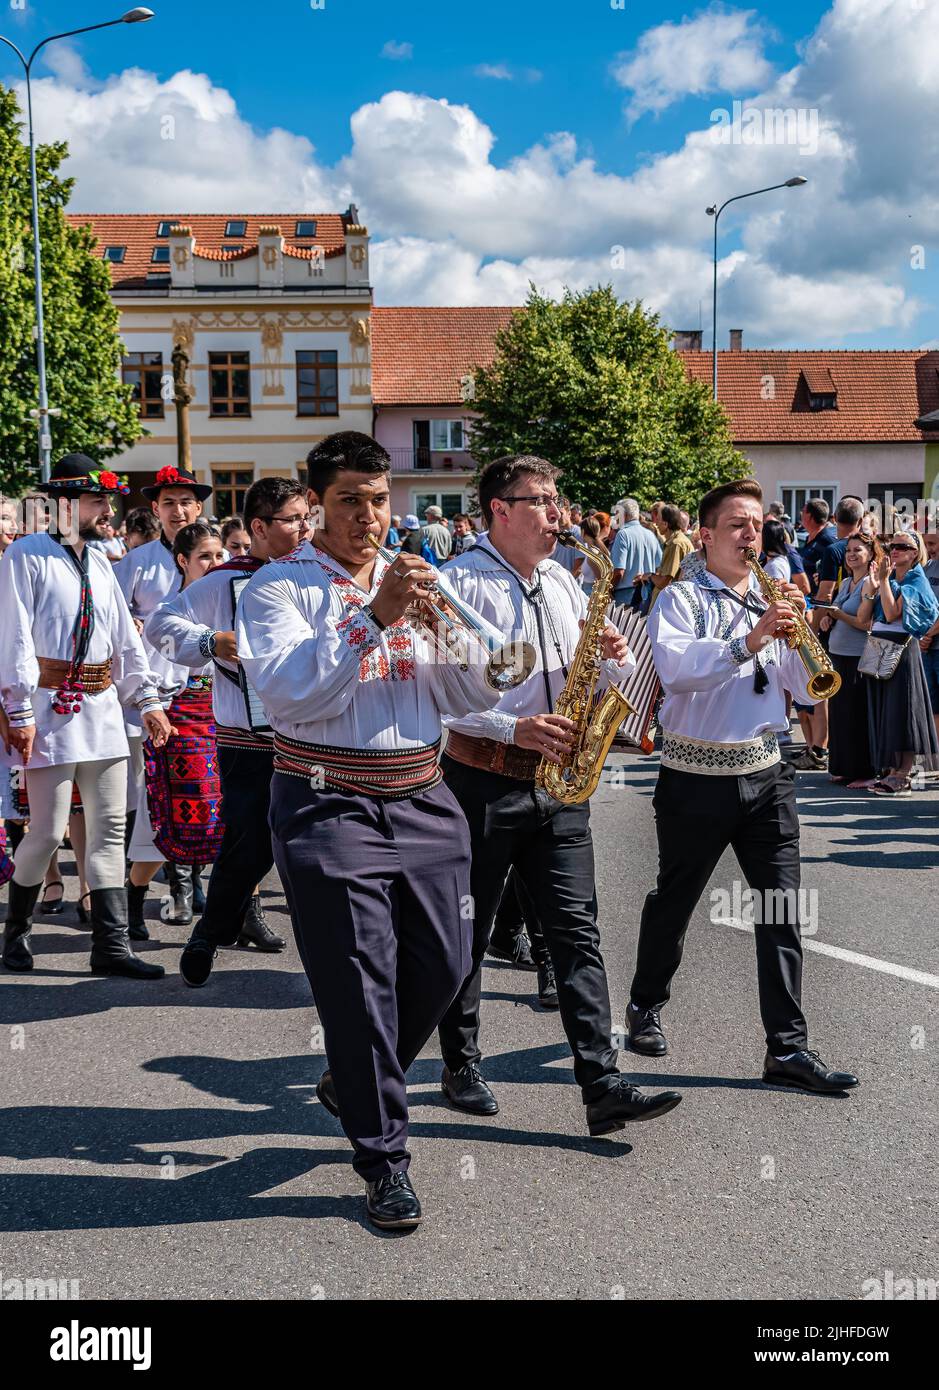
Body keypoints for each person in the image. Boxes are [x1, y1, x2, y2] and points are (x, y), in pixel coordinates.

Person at [235, 431, 506, 1231]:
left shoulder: (416, 580)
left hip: (423, 796)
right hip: (327, 801)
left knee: (450, 960)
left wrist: (447, 625)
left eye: (380, 499)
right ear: (317, 502)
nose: (369, 515)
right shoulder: (277, 588)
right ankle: (384, 1159)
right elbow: (291, 695)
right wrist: (373, 617)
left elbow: (487, 681)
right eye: (351, 498)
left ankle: (353, 1078)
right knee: (359, 984)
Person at [436, 453, 682, 1132]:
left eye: (557, 498)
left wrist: (609, 652)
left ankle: (601, 1084)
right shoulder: (458, 584)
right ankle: (459, 1065)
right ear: (500, 510)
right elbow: (440, 697)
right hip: (481, 779)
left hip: (559, 786)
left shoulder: (565, 581)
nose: (558, 512)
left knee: (577, 933)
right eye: (540, 500)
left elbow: (592, 668)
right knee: (465, 929)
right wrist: (511, 726)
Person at [625, 477, 859, 1096]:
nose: (750, 533)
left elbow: (807, 692)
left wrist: (803, 645)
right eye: (736, 524)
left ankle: (788, 1047)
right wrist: (752, 639)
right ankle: (646, 1003)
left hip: (766, 774)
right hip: (695, 775)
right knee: (674, 900)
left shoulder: (773, 598)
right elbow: (677, 674)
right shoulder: (678, 599)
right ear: (705, 536)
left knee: (781, 911)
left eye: (755, 524)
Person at [0, 454, 172, 979]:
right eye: (99, 500)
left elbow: (124, 639)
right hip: (50, 709)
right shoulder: (26, 556)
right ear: (65, 504)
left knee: (109, 830)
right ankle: (16, 932)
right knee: (48, 831)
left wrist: (147, 701)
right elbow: (14, 638)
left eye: (109, 500)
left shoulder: (102, 560)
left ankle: (112, 946)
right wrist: (20, 709)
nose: (109, 509)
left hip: (101, 711)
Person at [148, 477, 313, 983]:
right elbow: (161, 623)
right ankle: (210, 933)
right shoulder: (227, 580)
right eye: (293, 519)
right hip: (249, 740)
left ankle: (330, 965)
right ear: (260, 527)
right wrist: (209, 641)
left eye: (309, 517)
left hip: (315, 737)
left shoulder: (320, 575)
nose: (307, 528)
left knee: (315, 850)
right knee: (247, 845)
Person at [115, 465, 213, 926]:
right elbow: (113, 631)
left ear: (199, 507)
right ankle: (152, 890)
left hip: (202, 703)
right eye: (169, 503)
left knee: (200, 798)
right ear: (155, 509)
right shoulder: (134, 565)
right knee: (152, 801)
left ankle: (190, 882)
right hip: (149, 702)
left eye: (186, 502)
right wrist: (130, 625)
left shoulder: (213, 564)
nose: (178, 510)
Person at [858, 531, 939, 795]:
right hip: (882, 647)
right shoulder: (892, 578)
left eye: (903, 547)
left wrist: (881, 581)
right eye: (893, 546)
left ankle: (903, 775)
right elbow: (868, 614)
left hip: (903, 652)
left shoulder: (916, 580)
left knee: (902, 711)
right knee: (887, 711)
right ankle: (892, 771)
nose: (895, 550)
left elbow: (893, 613)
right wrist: (874, 585)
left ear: (915, 553)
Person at [818, 533, 877, 787]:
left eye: (858, 550)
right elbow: (838, 611)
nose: (851, 555)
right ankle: (842, 767)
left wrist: (837, 614)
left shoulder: (869, 583)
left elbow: (865, 624)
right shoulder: (846, 584)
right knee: (841, 715)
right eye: (849, 550)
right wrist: (827, 618)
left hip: (858, 656)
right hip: (839, 654)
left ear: (871, 554)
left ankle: (863, 772)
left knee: (856, 716)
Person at [635, 503, 694, 611]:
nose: (655, 523)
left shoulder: (676, 544)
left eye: (658, 519)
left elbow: (664, 582)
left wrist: (649, 576)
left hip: (667, 607)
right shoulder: (677, 541)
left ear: (666, 524)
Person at [610, 497, 662, 607]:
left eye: (617, 513)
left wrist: (609, 589)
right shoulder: (650, 535)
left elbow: (619, 571)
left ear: (624, 515)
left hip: (626, 595)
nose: (615, 518)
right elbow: (660, 567)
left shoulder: (623, 534)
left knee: (621, 624)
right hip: (648, 594)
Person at [814, 497, 866, 605]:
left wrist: (815, 620)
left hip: (837, 614)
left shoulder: (833, 550)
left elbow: (825, 593)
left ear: (835, 518)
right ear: (861, 520)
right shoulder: (870, 547)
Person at [920, 529, 939, 738]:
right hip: (927, 649)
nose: (929, 549)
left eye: (933, 543)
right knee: (932, 706)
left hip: (933, 644)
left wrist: (928, 635)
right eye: (926, 543)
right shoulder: (927, 568)